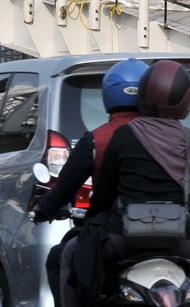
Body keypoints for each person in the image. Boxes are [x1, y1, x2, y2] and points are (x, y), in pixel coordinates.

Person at [63, 61, 190, 307]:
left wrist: (93, 219)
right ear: (187, 100)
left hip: (122, 238)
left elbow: (104, 191)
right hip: (179, 238)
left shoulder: (125, 134)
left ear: (143, 94)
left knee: (72, 252)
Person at [33, 58, 148, 307]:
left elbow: (64, 188)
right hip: (176, 233)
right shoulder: (172, 134)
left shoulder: (98, 139)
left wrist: (42, 210)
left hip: (117, 233)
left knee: (60, 257)